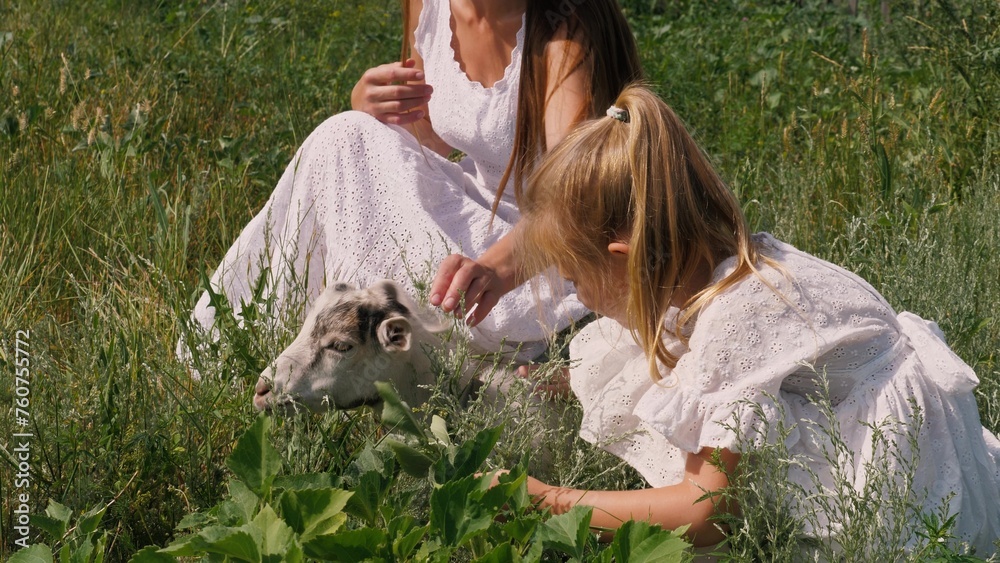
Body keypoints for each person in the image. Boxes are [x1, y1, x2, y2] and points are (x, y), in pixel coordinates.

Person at [491, 84, 1000, 551]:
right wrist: (571, 382)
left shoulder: (738, 318)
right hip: (914, 431)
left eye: (574, 279)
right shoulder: (733, 267)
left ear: (624, 259)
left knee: (708, 495)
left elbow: (705, 512)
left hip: (907, 484)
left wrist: (546, 500)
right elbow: (682, 352)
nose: (575, 292)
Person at [183, 0, 642, 361]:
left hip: (551, 251)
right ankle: (271, 332)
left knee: (349, 140)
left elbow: (572, 200)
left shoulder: (564, 30)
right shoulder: (430, 5)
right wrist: (372, 108)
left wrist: (493, 270)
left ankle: (370, 345)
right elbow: (431, 135)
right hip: (477, 214)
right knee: (343, 134)